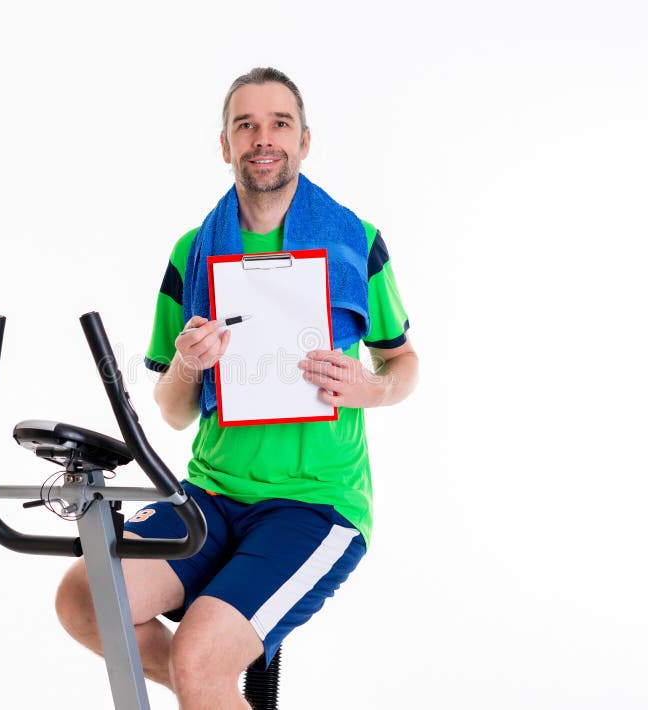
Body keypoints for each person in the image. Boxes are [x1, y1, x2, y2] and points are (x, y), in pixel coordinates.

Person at [55, 67, 419, 709]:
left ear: (305, 140)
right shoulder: (193, 253)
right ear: (225, 145)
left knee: (201, 655)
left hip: (316, 505)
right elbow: (170, 413)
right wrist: (189, 368)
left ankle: (208, 680)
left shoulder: (356, 243)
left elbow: (404, 362)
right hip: (212, 495)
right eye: (244, 125)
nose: (262, 138)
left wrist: (371, 388)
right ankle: (219, 690)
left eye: (279, 123)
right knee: (85, 599)